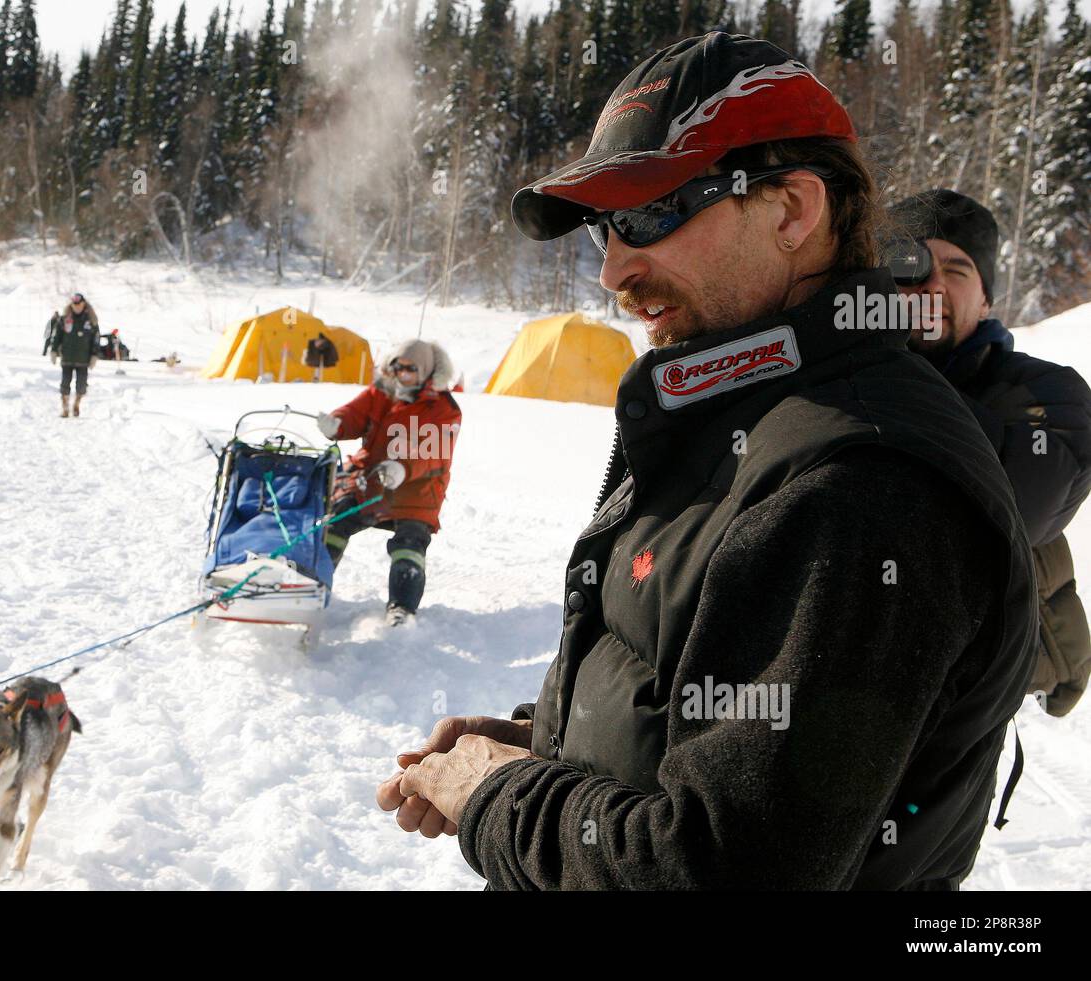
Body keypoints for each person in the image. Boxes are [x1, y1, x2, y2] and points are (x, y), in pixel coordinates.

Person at [377, 32, 1038, 890]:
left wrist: (502, 796)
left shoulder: (859, 485)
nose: (614, 268)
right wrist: (547, 740)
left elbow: (720, 868)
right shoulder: (747, 413)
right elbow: (713, 708)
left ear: (794, 211)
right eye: (604, 229)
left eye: (650, 212)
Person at [891, 189, 1091, 717]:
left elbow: (1014, 511)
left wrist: (885, 371)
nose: (931, 284)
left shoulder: (1048, 394)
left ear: (985, 300)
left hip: (966, 698)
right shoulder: (830, 379)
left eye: (956, 269)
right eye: (910, 265)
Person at [316, 339, 460, 626]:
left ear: (427, 372)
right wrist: (338, 423)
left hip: (418, 490)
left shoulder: (443, 408)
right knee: (336, 523)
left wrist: (403, 469)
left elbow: (434, 455)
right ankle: (313, 585)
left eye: (411, 369)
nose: (403, 374)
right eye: (398, 367)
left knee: (409, 543)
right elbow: (354, 415)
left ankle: (402, 608)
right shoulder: (381, 392)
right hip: (371, 480)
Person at [50, 293, 100, 417]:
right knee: (65, 383)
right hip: (67, 357)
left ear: (83, 304)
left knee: (81, 385)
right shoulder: (65, 319)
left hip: (83, 359)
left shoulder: (91, 320)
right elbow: (57, 336)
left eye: (79, 304)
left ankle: (77, 403)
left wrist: (94, 355)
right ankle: (65, 407)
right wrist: (54, 350)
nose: (76, 306)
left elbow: (96, 339)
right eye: (74, 304)